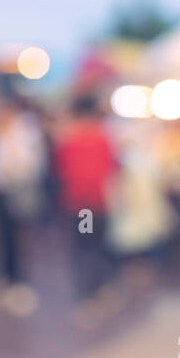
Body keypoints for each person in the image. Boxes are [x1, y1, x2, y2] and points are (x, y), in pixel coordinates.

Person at [53, 94, 120, 320]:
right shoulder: (102, 139)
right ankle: (94, 289)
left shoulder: (69, 140)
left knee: (83, 248)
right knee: (95, 246)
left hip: (79, 205)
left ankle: (87, 292)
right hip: (96, 202)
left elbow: (61, 171)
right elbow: (112, 168)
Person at [0, 100, 47, 315]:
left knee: (20, 238)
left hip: (19, 191)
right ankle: (5, 277)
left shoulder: (25, 131)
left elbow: (32, 163)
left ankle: (20, 282)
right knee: (1, 237)